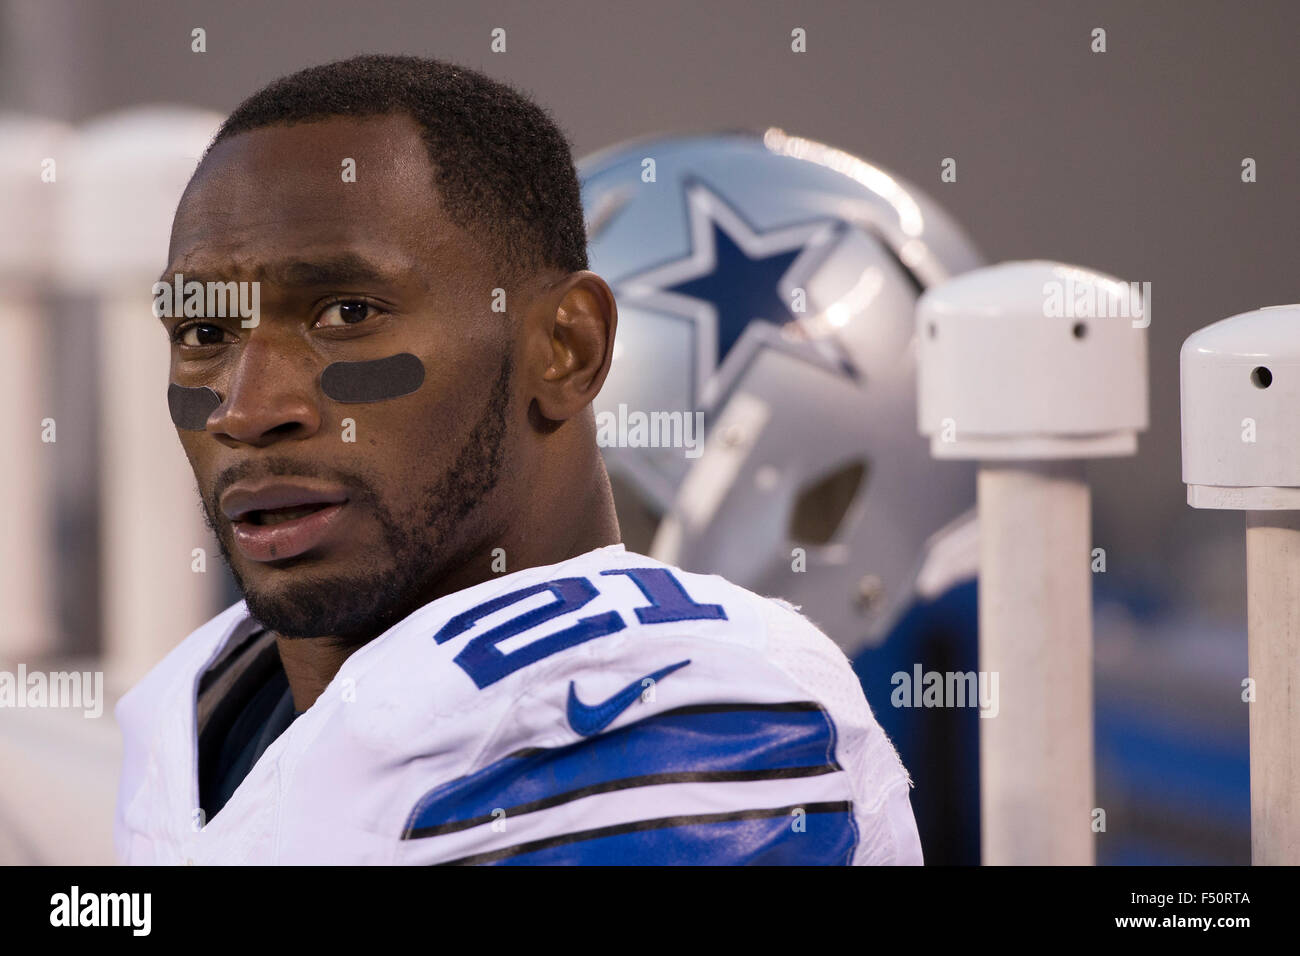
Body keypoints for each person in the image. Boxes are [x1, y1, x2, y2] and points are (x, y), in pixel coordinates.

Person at [114, 53, 920, 865]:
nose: (247, 410)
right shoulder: (211, 699)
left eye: (346, 312)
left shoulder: (667, 720)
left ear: (565, 348)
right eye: (204, 333)